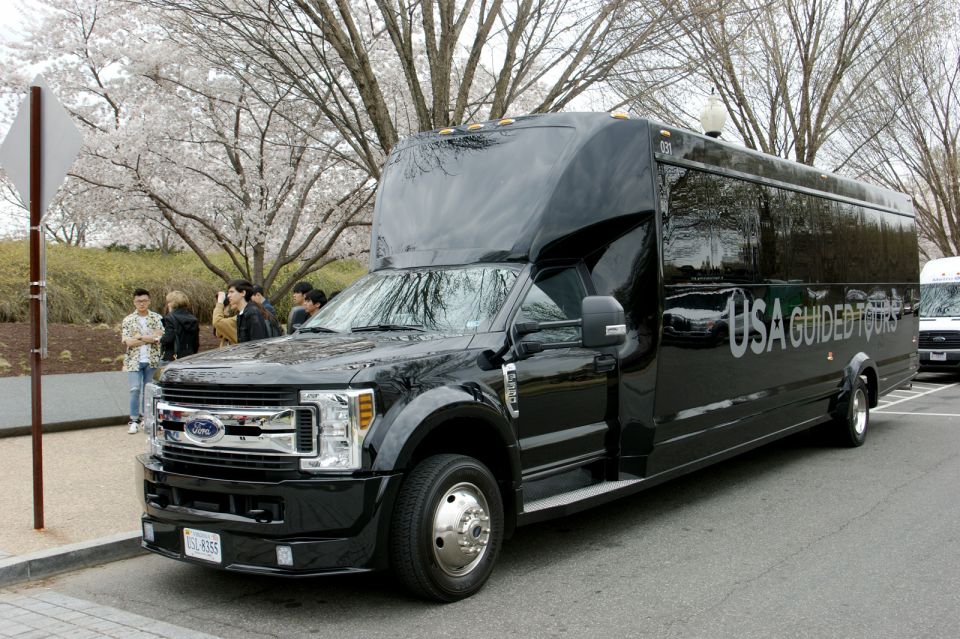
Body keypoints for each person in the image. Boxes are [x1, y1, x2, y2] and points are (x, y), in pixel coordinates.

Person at [120, 288, 163, 434]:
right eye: (139, 301)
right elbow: (128, 342)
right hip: (134, 360)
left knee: (148, 390)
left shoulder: (156, 318)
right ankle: (133, 419)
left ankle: (147, 418)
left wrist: (138, 337)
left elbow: (157, 338)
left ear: (149, 301)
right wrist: (148, 338)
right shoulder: (128, 320)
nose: (142, 304)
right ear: (134, 302)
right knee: (134, 389)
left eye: (144, 301)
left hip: (152, 360)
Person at [160, 290, 200, 365]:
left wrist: (159, 338)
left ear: (172, 304)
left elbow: (168, 339)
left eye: (168, 302)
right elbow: (196, 343)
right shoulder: (193, 319)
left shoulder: (170, 318)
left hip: (172, 357)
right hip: (189, 357)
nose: (168, 305)